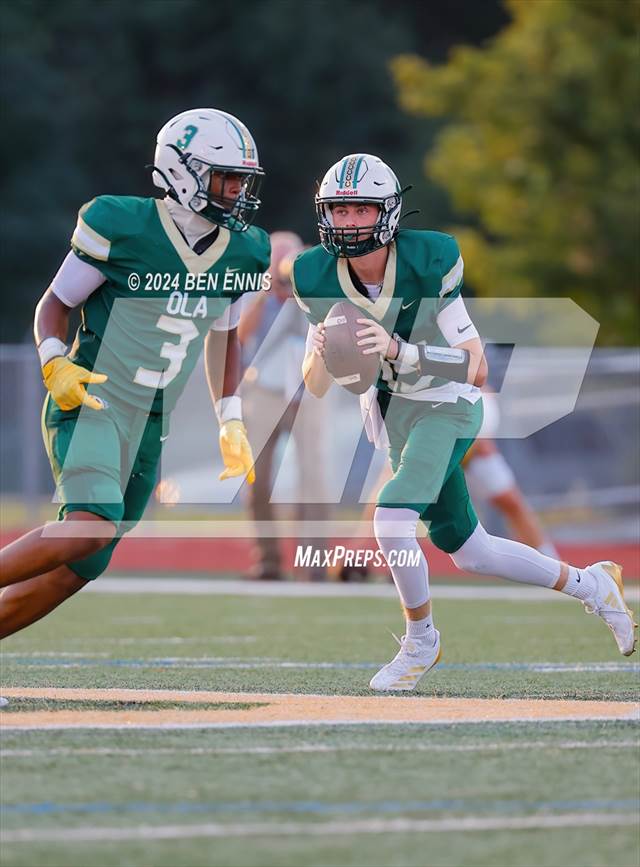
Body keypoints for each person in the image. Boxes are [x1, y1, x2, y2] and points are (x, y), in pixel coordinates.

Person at [293, 152, 636, 691]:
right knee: (472, 552)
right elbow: (314, 385)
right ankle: (593, 585)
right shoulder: (313, 273)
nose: (350, 221)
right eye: (340, 210)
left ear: (387, 213)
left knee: (390, 520)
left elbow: (476, 365)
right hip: (394, 416)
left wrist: (398, 350)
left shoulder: (430, 259)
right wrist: (317, 351)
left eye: (362, 209)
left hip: (445, 404)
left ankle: (420, 642)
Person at [0, 108, 268, 639]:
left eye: (243, 180)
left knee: (79, 566)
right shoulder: (122, 224)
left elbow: (224, 338)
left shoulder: (245, 250)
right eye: (225, 177)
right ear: (181, 171)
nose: (237, 191)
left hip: (151, 423)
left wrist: (229, 417)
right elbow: (54, 303)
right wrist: (54, 361)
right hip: (94, 402)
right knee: (88, 528)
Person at [238, 232, 328, 580]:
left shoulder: (314, 291)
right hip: (263, 390)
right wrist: (266, 293)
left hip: (307, 393)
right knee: (257, 480)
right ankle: (268, 561)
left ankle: (313, 563)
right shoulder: (255, 290)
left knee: (314, 480)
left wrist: (303, 292)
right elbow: (241, 335)